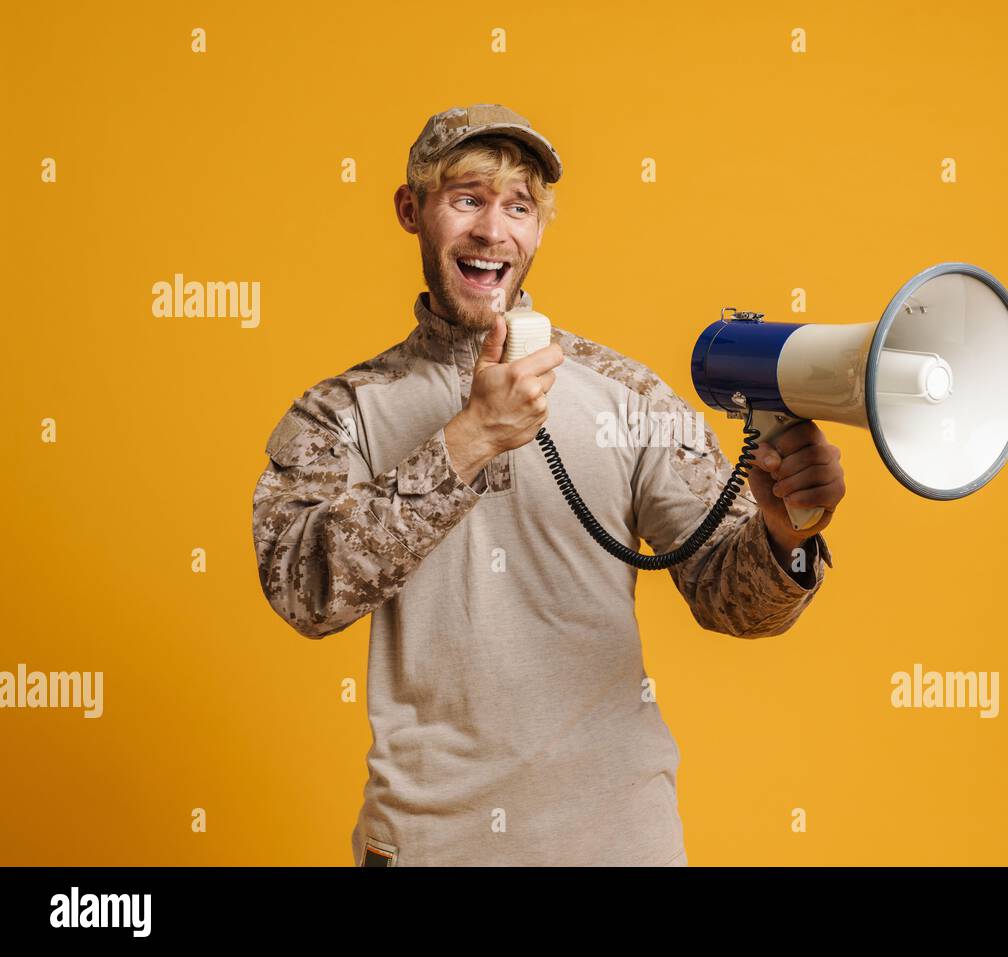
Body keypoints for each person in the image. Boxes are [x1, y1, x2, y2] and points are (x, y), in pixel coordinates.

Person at [251, 103, 846, 867]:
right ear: (412, 210)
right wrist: (465, 442)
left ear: (537, 230)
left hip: (620, 840)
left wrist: (785, 533)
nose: (492, 230)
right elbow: (303, 590)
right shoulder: (341, 412)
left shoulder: (626, 394)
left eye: (518, 206)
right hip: (432, 844)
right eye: (467, 197)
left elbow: (732, 600)